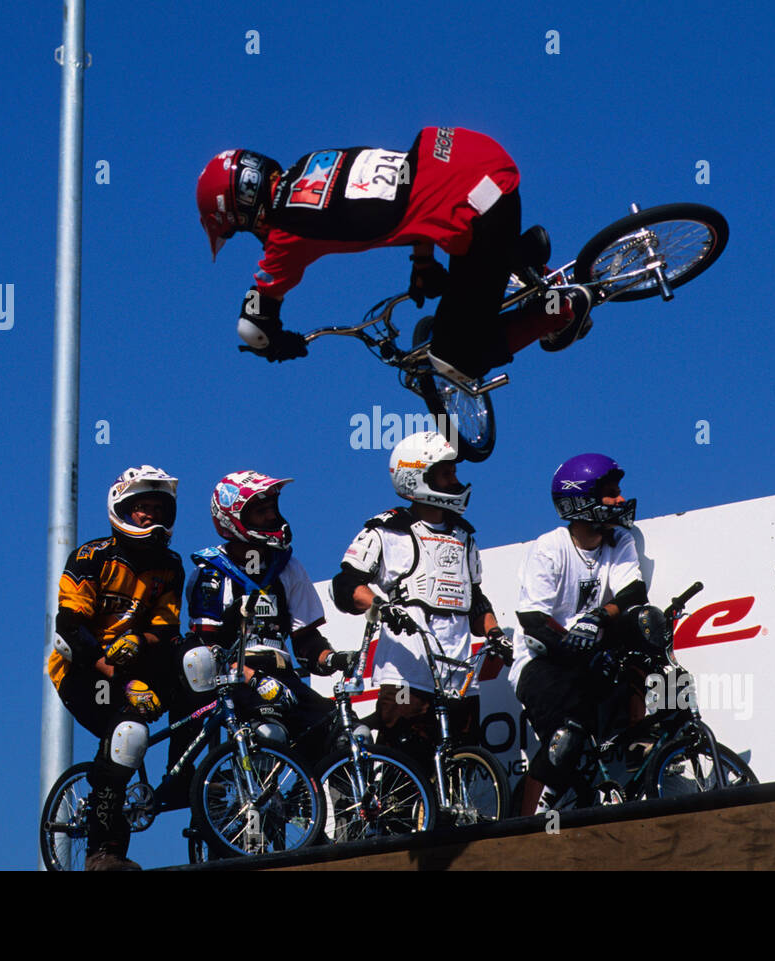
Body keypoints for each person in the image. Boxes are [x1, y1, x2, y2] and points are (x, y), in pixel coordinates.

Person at [195, 127, 593, 383]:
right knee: (462, 250)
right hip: (473, 156)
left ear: (242, 211)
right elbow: (401, 193)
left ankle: (563, 310)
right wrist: (423, 261)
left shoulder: (287, 231)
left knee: (455, 359)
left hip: (477, 208)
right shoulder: (314, 162)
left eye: (239, 228)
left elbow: (253, 327)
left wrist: (275, 344)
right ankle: (523, 260)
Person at [330, 431, 511, 772]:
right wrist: (380, 608)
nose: (456, 480)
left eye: (454, 472)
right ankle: (374, 801)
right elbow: (346, 584)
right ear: (417, 477)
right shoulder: (387, 530)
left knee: (461, 760)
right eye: (446, 474)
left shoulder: (464, 535)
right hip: (406, 672)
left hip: (457, 675)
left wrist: (495, 634)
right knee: (403, 757)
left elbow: (476, 603)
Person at [509, 454, 669, 815]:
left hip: (590, 655)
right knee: (565, 741)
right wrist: (571, 644)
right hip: (540, 662)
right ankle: (521, 827)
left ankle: (637, 738)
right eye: (610, 493)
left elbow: (632, 594)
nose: (620, 499)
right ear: (581, 500)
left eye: (618, 492)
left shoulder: (619, 540)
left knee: (645, 621)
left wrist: (598, 617)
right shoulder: (550, 547)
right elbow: (533, 621)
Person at [47, 465, 185, 870]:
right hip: (82, 668)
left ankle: (185, 777)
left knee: (199, 663)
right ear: (121, 509)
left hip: (135, 665)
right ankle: (102, 852)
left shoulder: (170, 566)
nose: (151, 516)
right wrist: (118, 677)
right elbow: (67, 630)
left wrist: (141, 642)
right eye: (142, 507)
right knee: (128, 732)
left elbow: (165, 631)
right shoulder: (91, 558)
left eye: (159, 508)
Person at [176, 470, 351, 769]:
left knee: (345, 733)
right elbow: (207, 651)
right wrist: (254, 679)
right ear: (234, 520)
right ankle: (258, 812)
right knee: (270, 734)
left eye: (273, 508)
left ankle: (342, 812)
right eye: (261, 511)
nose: (273, 517)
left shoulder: (288, 567)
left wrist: (333, 659)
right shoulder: (211, 572)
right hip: (236, 682)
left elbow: (306, 640)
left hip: (284, 678)